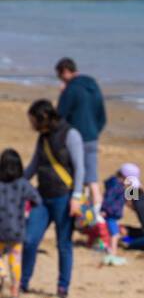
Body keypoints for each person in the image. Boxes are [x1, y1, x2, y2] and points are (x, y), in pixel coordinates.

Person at [21, 99, 84, 298]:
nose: (32, 125)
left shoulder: (71, 134)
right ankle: (22, 282)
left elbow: (80, 168)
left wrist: (76, 196)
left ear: (44, 118)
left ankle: (63, 287)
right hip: (42, 197)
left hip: (64, 198)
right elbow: (33, 166)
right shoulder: (43, 138)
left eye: (33, 121)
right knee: (30, 240)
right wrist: (13, 182)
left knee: (63, 244)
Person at [56, 57, 107, 211]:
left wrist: (62, 94)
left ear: (65, 72)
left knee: (80, 173)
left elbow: (60, 115)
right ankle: (94, 210)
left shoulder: (71, 89)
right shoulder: (93, 86)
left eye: (59, 76)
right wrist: (95, 131)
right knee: (91, 175)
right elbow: (102, 115)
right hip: (92, 135)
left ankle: (92, 211)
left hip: (76, 136)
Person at [0, 148, 41, 298]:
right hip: (17, 230)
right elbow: (37, 200)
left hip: (0, 230)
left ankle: (2, 273)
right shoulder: (23, 184)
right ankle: (15, 293)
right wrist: (27, 210)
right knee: (15, 261)